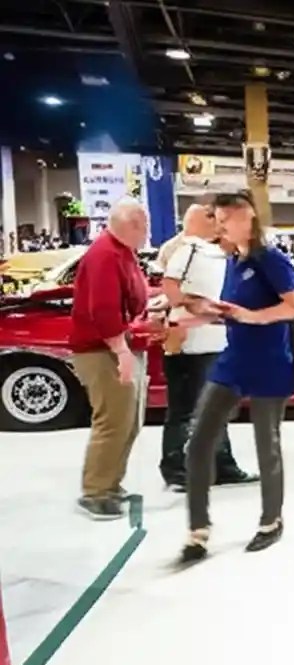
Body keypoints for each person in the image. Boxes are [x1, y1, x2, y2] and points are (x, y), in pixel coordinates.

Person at [181, 192, 294, 562]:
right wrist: (200, 313)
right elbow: (233, 310)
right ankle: (198, 530)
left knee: (266, 446)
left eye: (225, 218)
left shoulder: (270, 259)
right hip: (234, 361)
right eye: (217, 219)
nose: (220, 225)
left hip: (270, 362)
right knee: (199, 440)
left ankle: (271, 521)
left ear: (247, 217)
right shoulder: (233, 262)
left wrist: (252, 317)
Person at [158, 201, 256, 492]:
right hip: (190, 343)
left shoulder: (216, 253)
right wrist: (200, 306)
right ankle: (176, 469)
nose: (218, 222)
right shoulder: (184, 250)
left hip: (216, 342)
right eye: (212, 217)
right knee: (185, 408)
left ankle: (222, 464)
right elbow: (172, 290)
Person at [68, 199, 153, 520]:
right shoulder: (105, 254)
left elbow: (132, 296)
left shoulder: (122, 252)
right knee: (113, 421)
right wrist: (120, 350)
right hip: (101, 350)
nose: (147, 232)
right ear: (131, 225)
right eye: (143, 226)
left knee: (128, 421)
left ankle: (111, 484)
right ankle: (95, 492)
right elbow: (101, 310)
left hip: (117, 345)